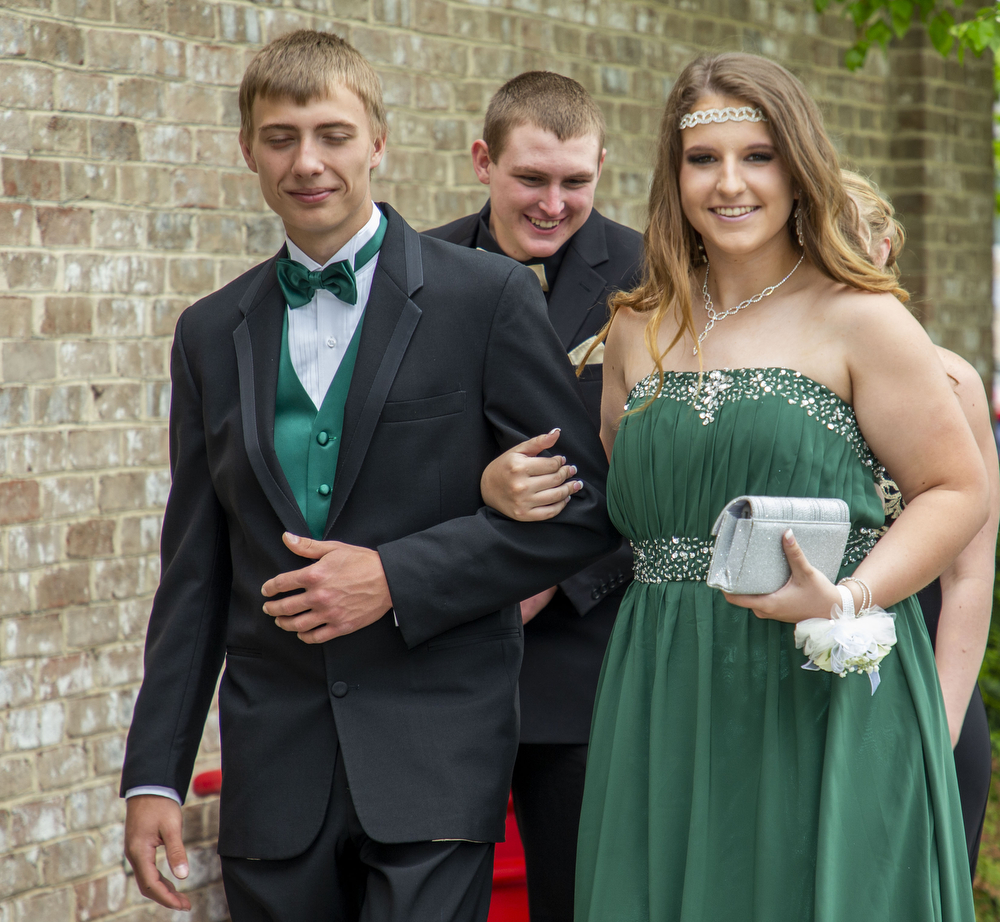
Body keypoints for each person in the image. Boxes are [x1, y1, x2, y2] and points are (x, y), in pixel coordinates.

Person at [118, 31, 618, 922]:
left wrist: (395, 577)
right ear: (248, 151)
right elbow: (194, 572)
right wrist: (153, 774)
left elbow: (585, 513)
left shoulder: (486, 299)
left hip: (436, 754)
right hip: (276, 771)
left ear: (377, 142)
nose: (307, 162)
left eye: (333, 134)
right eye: (280, 137)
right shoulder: (207, 332)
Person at [484, 51, 987, 922]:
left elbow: (955, 490)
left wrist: (849, 596)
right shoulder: (636, 327)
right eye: (703, 159)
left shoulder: (863, 318)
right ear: (672, 175)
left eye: (757, 156)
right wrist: (500, 484)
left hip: (815, 679)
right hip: (661, 676)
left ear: (799, 166)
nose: (729, 184)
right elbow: (616, 497)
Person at [424, 71, 642, 922]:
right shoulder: (418, 266)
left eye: (575, 183)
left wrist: (553, 576)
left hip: (590, 654)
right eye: (531, 179)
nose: (553, 204)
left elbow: (672, 466)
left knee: (580, 900)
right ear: (484, 161)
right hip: (442, 651)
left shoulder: (652, 273)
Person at [843, 169, 998, 876]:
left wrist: (941, 723)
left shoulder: (950, 380)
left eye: (851, 241)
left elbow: (969, 572)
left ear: (883, 248)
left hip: (923, 665)